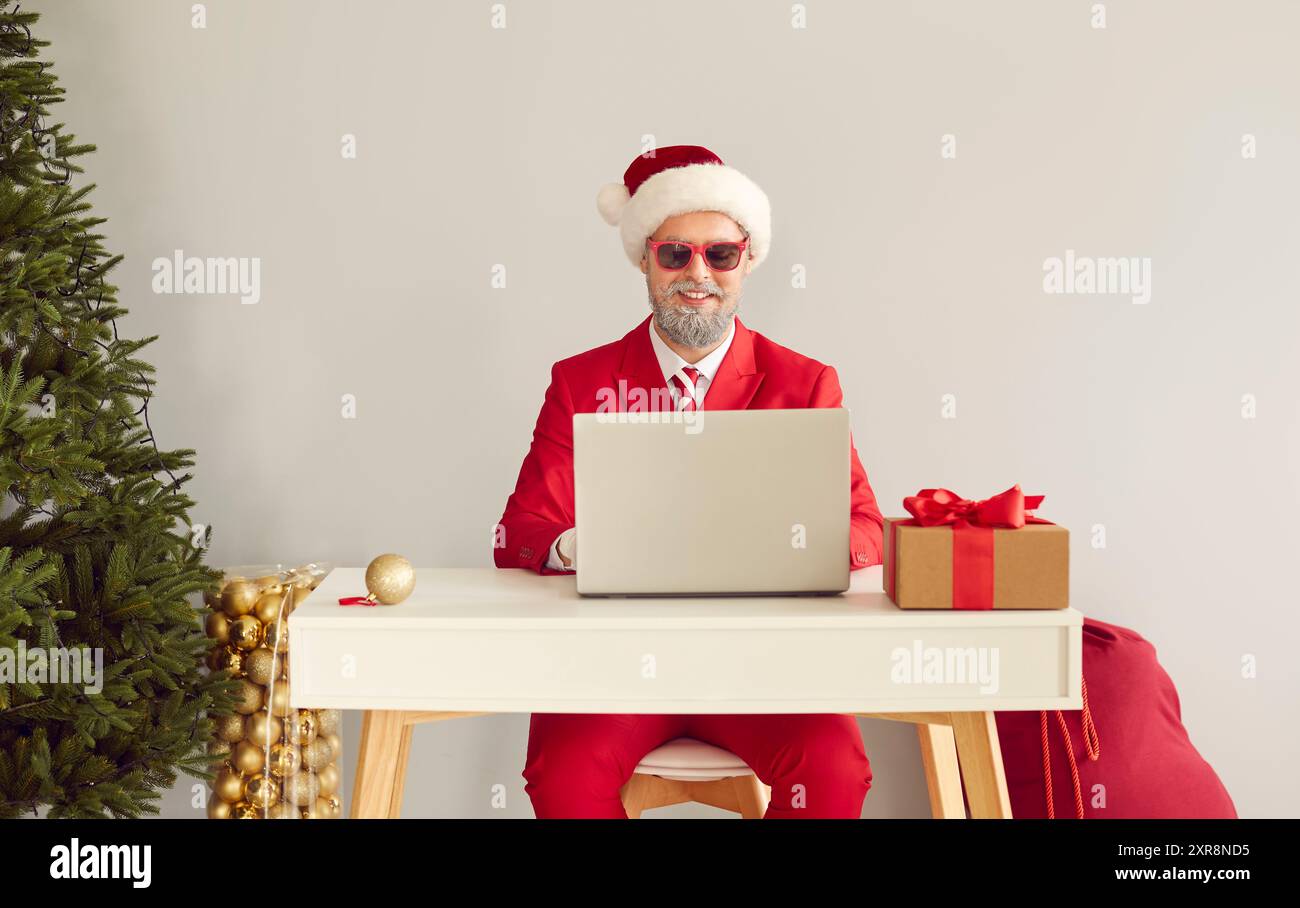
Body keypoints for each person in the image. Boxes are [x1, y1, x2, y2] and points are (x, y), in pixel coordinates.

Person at [495, 144, 885, 818]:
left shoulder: (806, 383)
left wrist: (795, 548)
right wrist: (577, 548)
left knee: (834, 767)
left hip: (763, 670)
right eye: (675, 254)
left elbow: (866, 529)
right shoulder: (580, 383)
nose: (697, 273)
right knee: (561, 770)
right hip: (617, 670)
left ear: (747, 260)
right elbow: (519, 533)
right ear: (645, 260)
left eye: (720, 255)